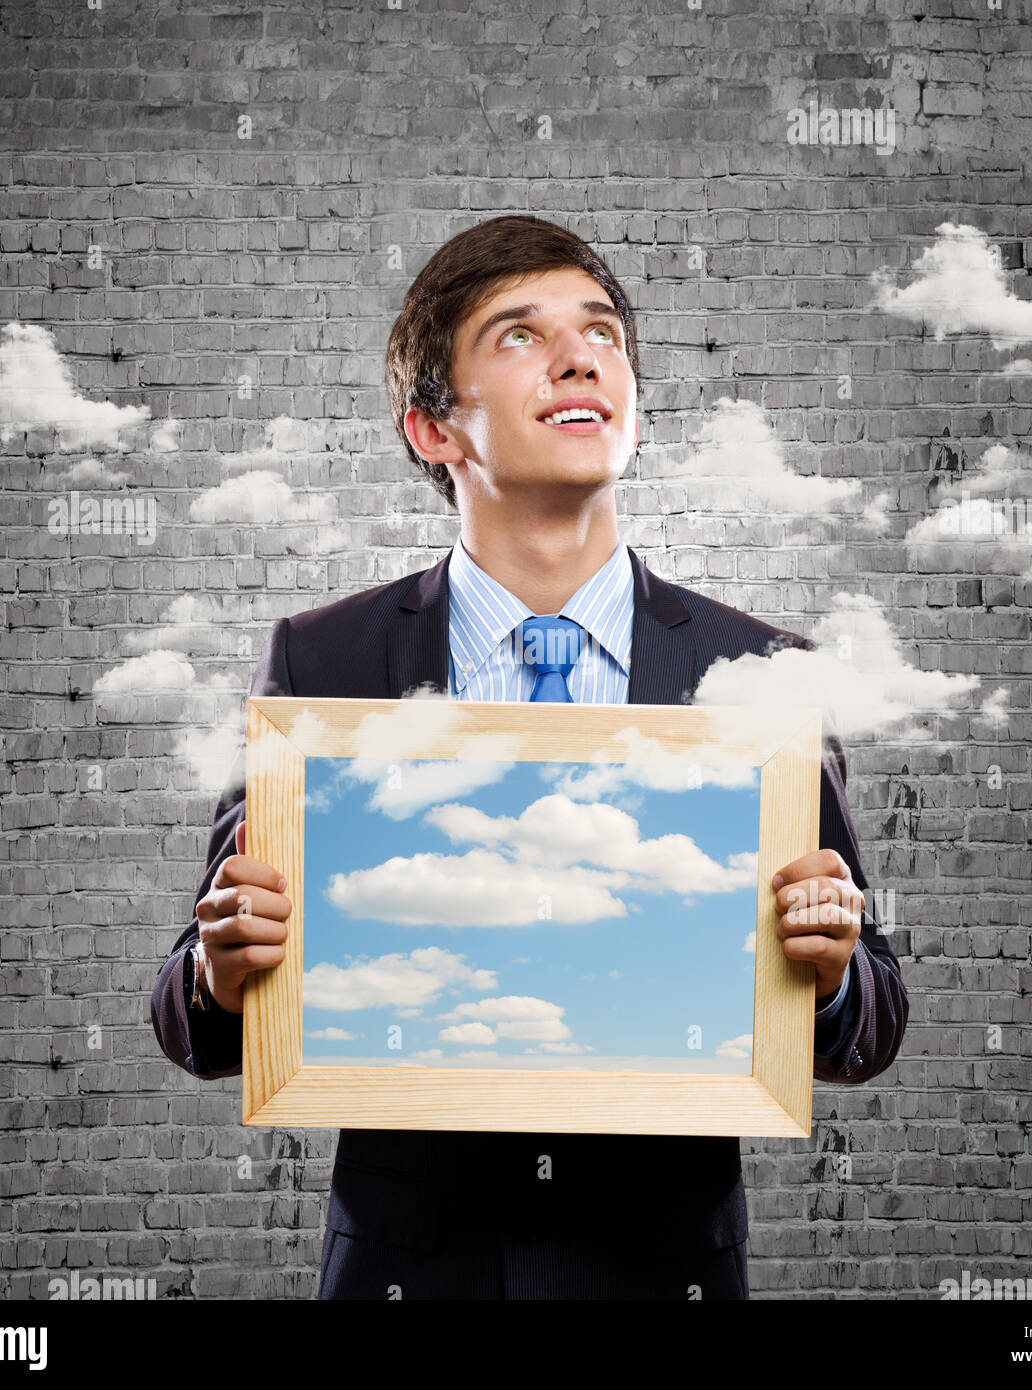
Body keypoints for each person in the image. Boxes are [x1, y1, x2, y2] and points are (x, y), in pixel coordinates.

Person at [151, 214, 909, 1300]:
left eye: (601, 331)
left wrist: (830, 971)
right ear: (432, 428)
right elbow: (193, 1015)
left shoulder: (762, 670)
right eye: (519, 335)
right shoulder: (326, 658)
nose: (579, 354)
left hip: (663, 1276)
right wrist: (223, 969)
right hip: (411, 1276)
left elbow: (869, 1023)